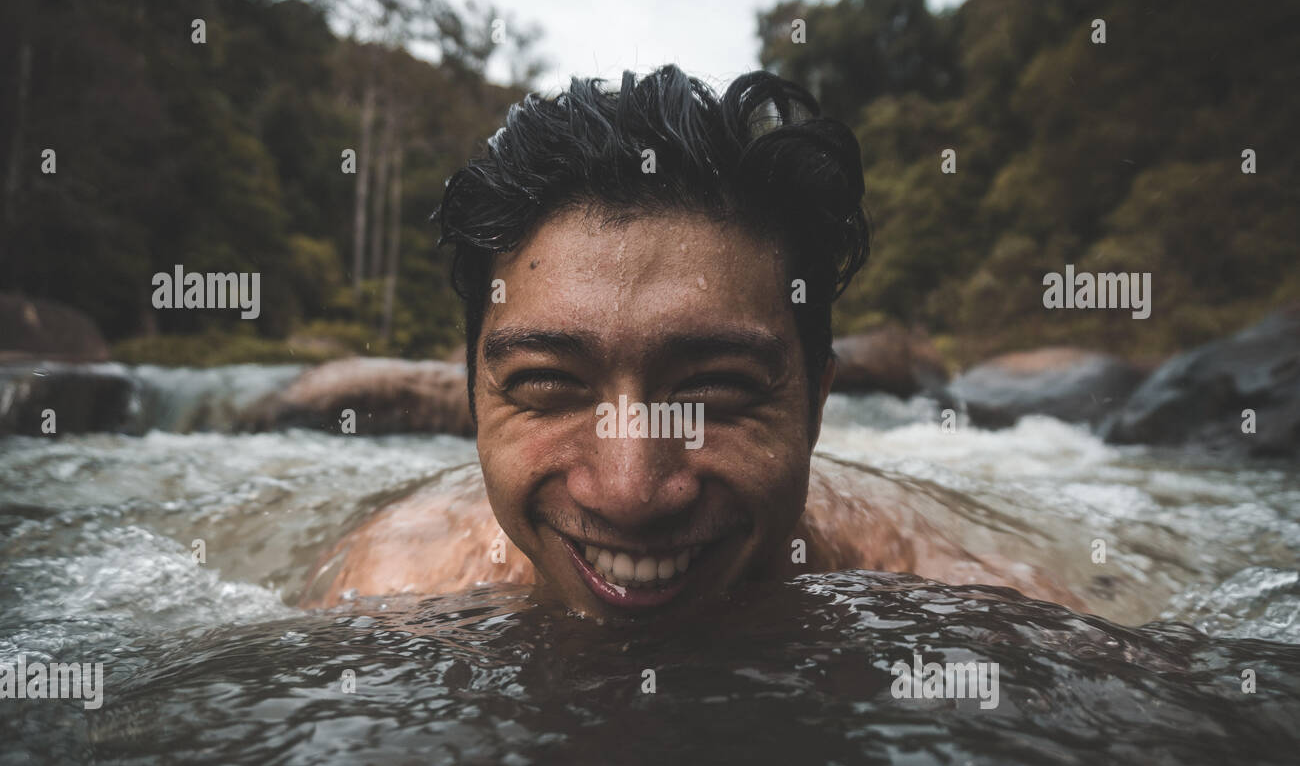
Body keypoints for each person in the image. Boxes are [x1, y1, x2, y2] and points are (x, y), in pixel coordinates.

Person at [302, 66, 1080, 617]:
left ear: (817, 404)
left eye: (714, 390)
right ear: (475, 400)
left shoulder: (967, 600)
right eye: (548, 385)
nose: (631, 491)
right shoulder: (394, 589)